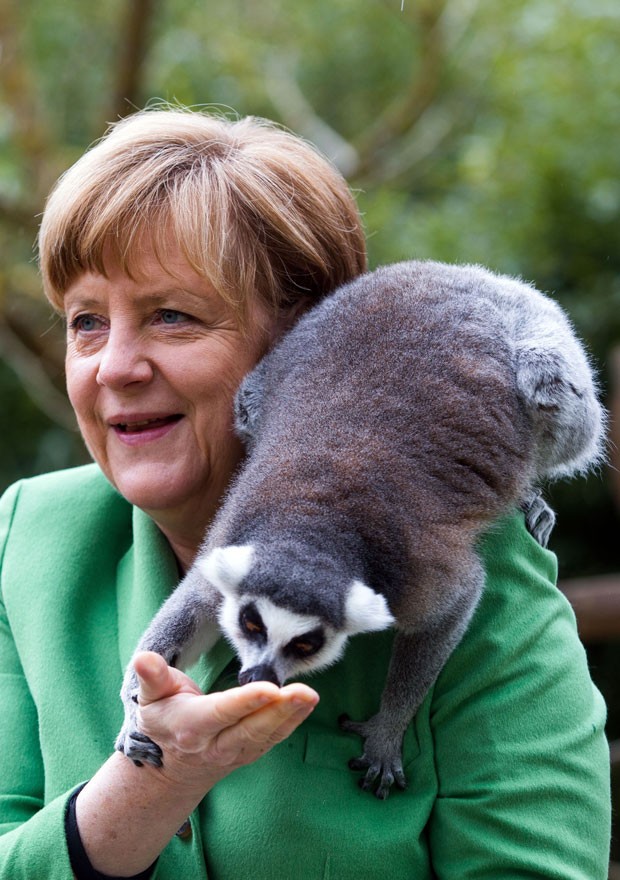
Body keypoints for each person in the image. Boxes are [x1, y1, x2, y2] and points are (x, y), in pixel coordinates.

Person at [0, 106, 610, 879]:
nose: (114, 367)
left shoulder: (454, 569)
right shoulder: (30, 536)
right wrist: (151, 782)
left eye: (172, 316)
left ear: (305, 338)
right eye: (86, 321)